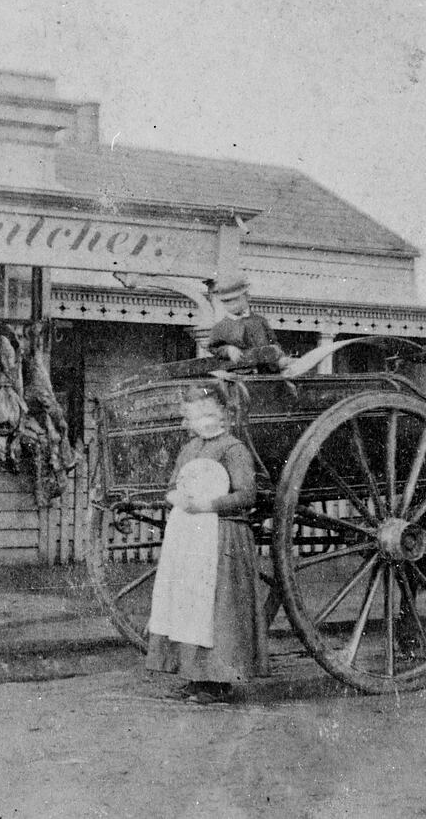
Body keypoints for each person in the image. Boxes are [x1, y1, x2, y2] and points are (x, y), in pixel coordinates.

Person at [145, 391, 259, 704]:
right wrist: (177, 499)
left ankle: (218, 682)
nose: (198, 423)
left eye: (206, 416)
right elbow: (173, 486)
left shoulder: (233, 449)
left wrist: (208, 504)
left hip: (221, 534)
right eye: (195, 417)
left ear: (221, 417)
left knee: (215, 607)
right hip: (189, 533)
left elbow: (247, 495)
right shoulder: (191, 448)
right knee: (188, 603)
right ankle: (194, 678)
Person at [199, 274, 291, 372]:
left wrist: (280, 359)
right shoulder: (220, 327)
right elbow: (213, 348)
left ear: (247, 296)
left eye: (236, 300)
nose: (232, 305)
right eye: (226, 302)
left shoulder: (260, 321)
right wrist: (228, 350)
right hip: (237, 376)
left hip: (266, 374)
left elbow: (274, 344)